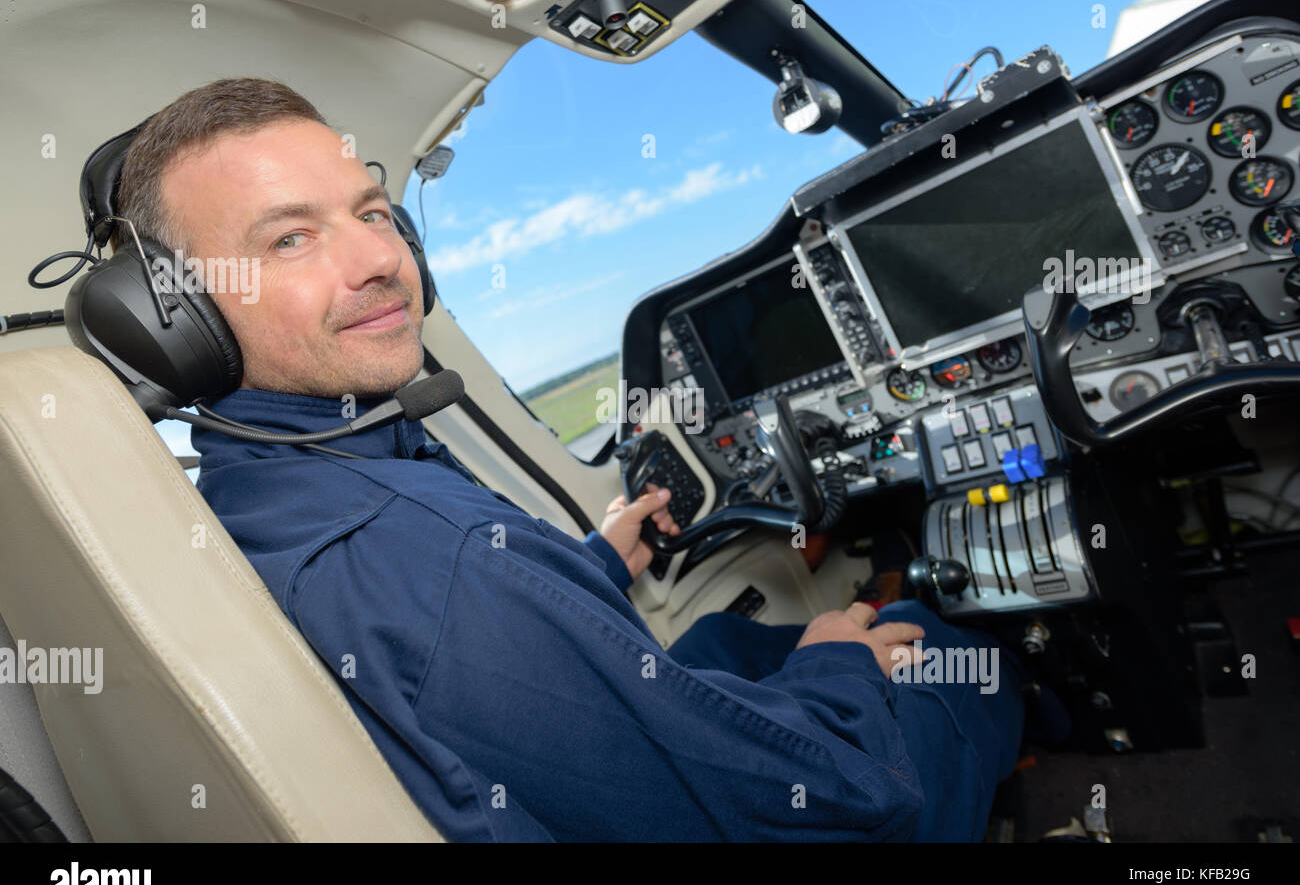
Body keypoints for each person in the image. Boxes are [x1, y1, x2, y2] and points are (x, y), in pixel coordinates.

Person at [123, 77, 1025, 841]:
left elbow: (466, 647)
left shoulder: (263, 490)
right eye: (290, 238)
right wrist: (838, 663)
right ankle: (1039, 723)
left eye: (370, 211)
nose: (379, 259)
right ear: (176, 320)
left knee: (716, 639)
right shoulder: (449, 558)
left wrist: (591, 564)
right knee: (942, 643)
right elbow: (828, 801)